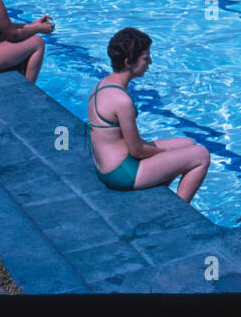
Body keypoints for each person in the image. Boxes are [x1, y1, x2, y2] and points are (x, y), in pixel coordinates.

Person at [87, 27, 211, 199]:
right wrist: (168, 156)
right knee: (201, 154)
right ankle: (179, 213)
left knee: (187, 143)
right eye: (145, 58)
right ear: (128, 62)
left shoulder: (102, 85)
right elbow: (136, 150)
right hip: (121, 173)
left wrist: (172, 157)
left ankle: (161, 190)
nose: (150, 62)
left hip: (106, 166)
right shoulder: (122, 101)